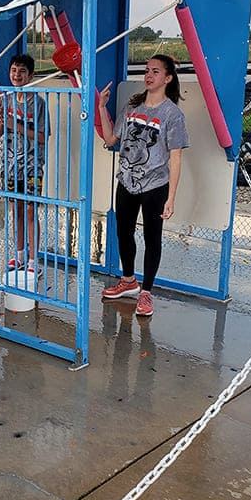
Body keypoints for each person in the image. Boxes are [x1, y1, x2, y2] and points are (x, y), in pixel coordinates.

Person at [98, 54, 189, 316]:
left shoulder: (173, 114)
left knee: (152, 237)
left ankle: (146, 292)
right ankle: (128, 281)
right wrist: (102, 107)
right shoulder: (133, 105)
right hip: (127, 181)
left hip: (155, 186)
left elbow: (176, 156)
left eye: (156, 71)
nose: (149, 75)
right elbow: (111, 138)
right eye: (147, 70)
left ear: (168, 78)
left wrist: (171, 197)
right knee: (123, 232)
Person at [0, 54, 50, 275]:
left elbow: (42, 136)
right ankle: (18, 255)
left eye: (22, 71)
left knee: (30, 210)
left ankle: (32, 260)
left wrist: (14, 125)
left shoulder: (38, 103)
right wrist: (1, 121)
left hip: (31, 164)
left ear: (30, 75)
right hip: (10, 164)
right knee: (16, 209)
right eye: (14, 70)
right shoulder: (5, 99)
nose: (17, 75)